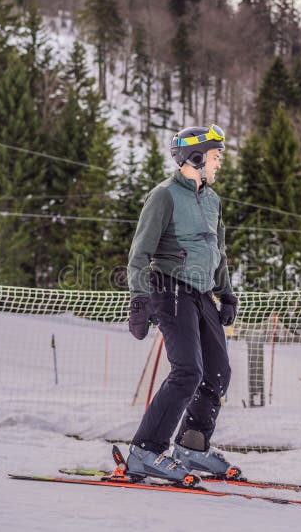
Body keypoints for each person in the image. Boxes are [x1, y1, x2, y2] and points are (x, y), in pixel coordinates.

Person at [125, 124, 239, 486]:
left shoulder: (212, 199)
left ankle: (191, 446)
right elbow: (140, 251)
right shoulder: (164, 196)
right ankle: (145, 451)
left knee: (218, 372)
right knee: (188, 371)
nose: (219, 163)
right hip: (169, 286)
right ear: (194, 157)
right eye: (215, 156)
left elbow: (216, 252)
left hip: (202, 293)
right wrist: (140, 299)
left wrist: (227, 292)